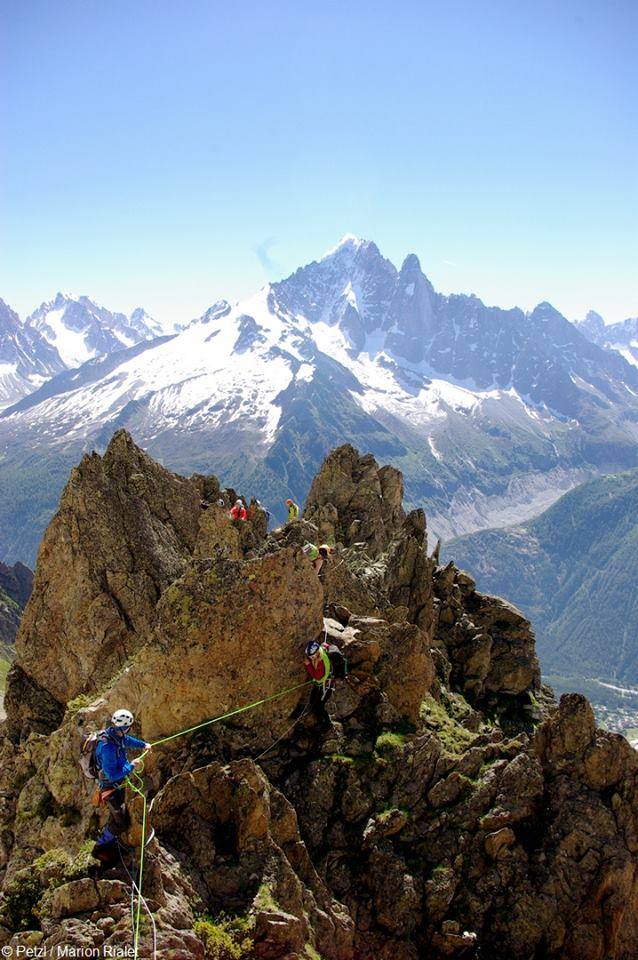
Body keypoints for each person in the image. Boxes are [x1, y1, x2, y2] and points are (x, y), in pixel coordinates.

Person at [91, 709, 150, 865]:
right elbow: (112, 775)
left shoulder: (115, 735)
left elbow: (127, 740)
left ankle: (111, 841)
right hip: (110, 786)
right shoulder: (108, 748)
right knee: (121, 822)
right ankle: (99, 848)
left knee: (118, 816)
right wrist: (131, 766)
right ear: (126, 727)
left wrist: (143, 745)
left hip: (116, 785)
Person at [303, 640, 336, 732]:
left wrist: (308, 665)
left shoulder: (320, 663)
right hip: (321, 685)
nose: (310, 658)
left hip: (326, 686)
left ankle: (326, 723)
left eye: (311, 656)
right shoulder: (320, 650)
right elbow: (325, 646)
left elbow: (317, 676)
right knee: (313, 700)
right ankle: (318, 717)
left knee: (319, 706)